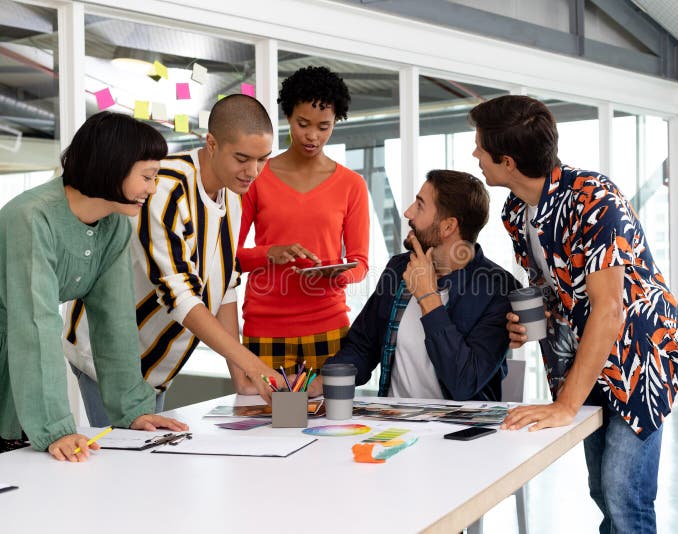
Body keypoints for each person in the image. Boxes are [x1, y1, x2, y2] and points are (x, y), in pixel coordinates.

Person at [469, 95, 678, 533]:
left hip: (637, 357)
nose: (475, 155)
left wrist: (565, 405)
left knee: (624, 494)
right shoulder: (517, 211)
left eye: (480, 147)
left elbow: (609, 309)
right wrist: (528, 321)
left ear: (507, 161)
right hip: (583, 356)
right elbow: (555, 289)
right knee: (603, 491)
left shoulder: (594, 199)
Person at [63, 95, 282, 427]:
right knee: (127, 469)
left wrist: (240, 374)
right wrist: (253, 364)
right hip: (108, 357)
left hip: (157, 365)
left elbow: (226, 289)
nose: (253, 172)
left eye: (262, 160)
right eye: (242, 158)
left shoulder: (232, 198)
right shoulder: (164, 187)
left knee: (148, 465)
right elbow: (178, 295)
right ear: (211, 143)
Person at [0, 112, 187, 461]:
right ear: (113, 167)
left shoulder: (114, 226)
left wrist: (133, 410)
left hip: (22, 368)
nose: (152, 188)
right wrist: (57, 427)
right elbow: (35, 324)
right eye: (147, 176)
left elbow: (115, 322)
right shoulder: (31, 216)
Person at [310, 170, 517, 401]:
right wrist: (318, 384)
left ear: (448, 227)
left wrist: (427, 295)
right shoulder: (399, 269)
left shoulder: (498, 288)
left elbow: (464, 382)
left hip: (456, 431)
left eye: (420, 206)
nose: (408, 212)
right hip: (393, 424)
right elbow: (362, 346)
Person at [234, 66, 369, 392]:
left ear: (336, 121)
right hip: (265, 327)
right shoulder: (257, 177)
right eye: (302, 124)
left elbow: (360, 263)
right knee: (263, 429)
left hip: (329, 326)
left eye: (324, 127)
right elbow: (231, 257)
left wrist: (338, 274)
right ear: (288, 118)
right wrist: (270, 254)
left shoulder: (352, 185)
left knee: (331, 428)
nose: (313, 136)